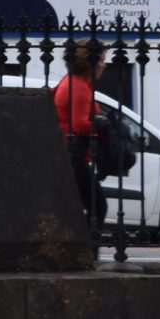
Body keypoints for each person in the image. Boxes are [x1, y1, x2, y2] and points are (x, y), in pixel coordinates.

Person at [53, 38, 105, 230]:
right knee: (97, 207)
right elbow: (79, 124)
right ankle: (87, 254)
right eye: (101, 60)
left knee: (87, 208)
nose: (103, 65)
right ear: (89, 62)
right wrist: (104, 128)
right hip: (73, 155)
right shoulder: (78, 86)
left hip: (70, 153)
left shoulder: (72, 82)